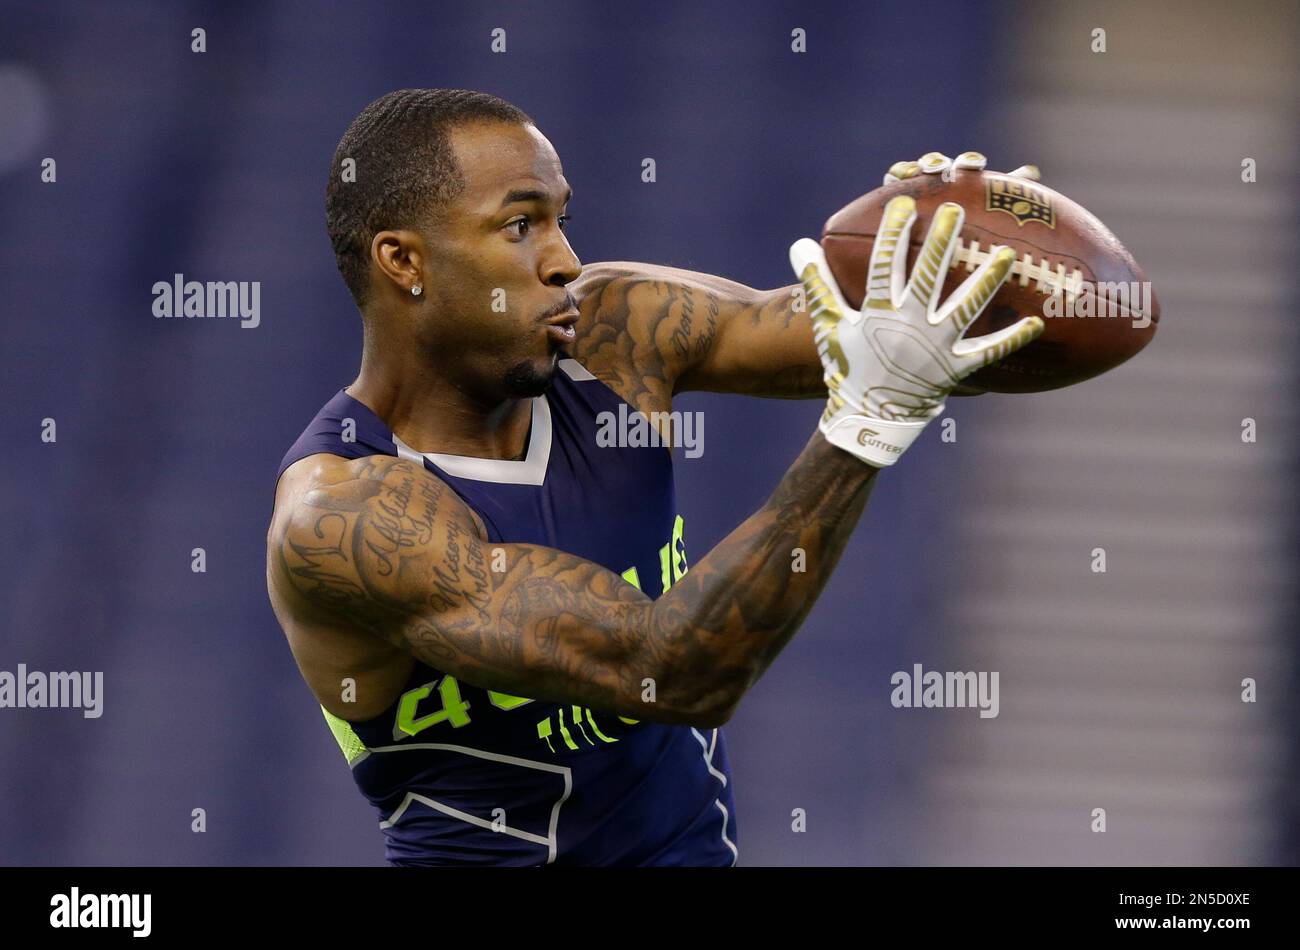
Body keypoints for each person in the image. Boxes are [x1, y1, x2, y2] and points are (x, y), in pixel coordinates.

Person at [265, 88, 1043, 865]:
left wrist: (951, 248)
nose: (564, 259)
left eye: (560, 218)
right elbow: (668, 672)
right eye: (519, 224)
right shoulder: (345, 518)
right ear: (404, 260)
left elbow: (887, 346)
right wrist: (863, 429)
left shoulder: (611, 330)